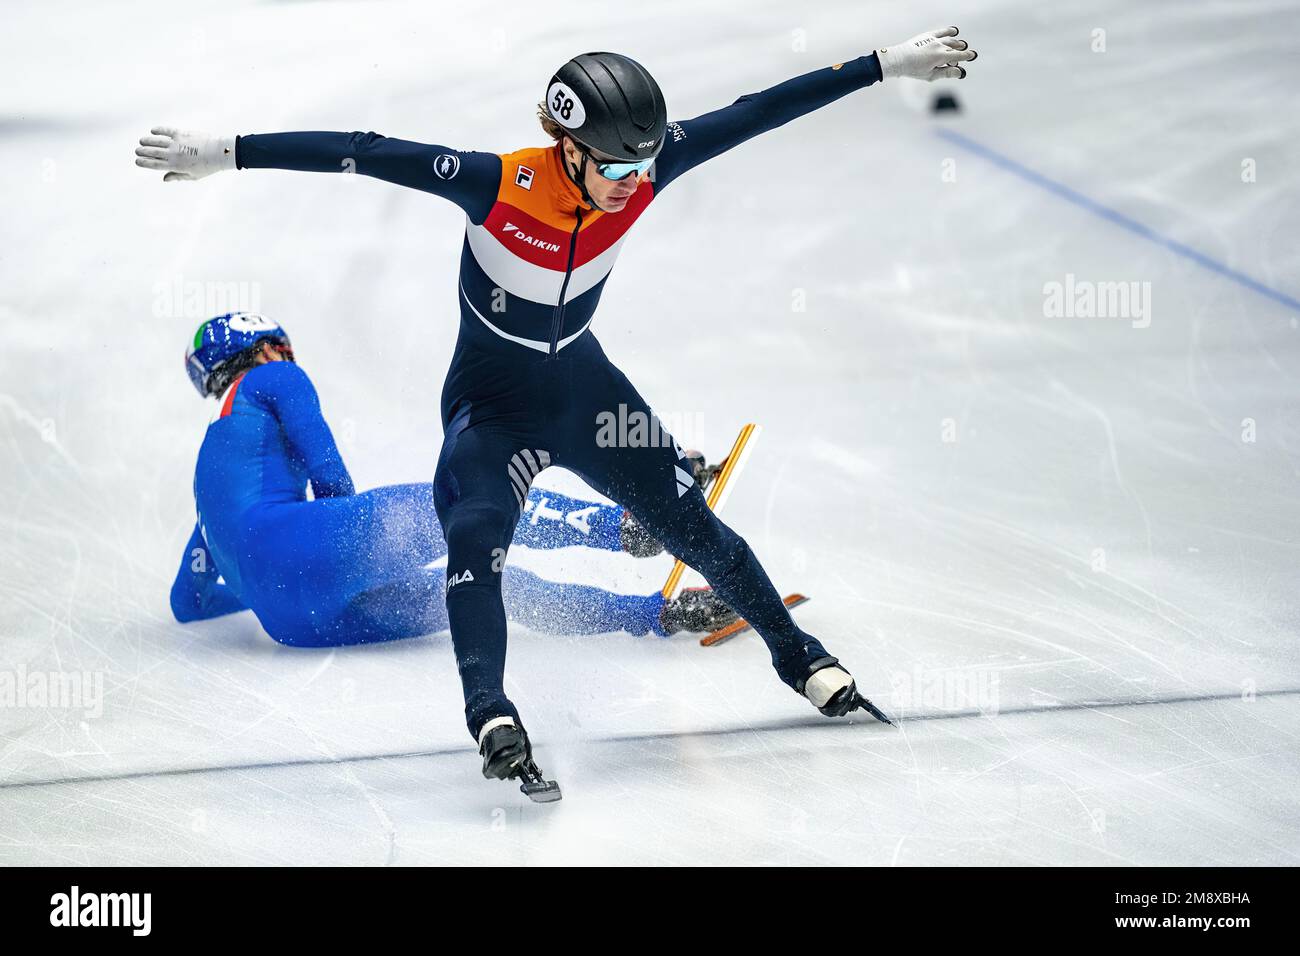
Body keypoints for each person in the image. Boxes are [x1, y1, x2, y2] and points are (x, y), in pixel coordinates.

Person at [138, 28, 973, 791]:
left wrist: (884, 64)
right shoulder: (495, 182)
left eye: (641, 168)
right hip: (490, 412)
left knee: (698, 531)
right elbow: (363, 152)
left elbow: (760, 111)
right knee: (474, 541)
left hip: (587, 392)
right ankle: (491, 712)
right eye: (612, 168)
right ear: (566, 149)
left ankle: (802, 659)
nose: (629, 186)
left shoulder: (641, 167)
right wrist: (225, 152)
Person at [172, 311, 737, 648]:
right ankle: (626, 528)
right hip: (313, 545)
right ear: (265, 346)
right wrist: (347, 543)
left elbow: (187, 604)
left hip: (292, 625)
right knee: (469, 506)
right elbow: (329, 472)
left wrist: (272, 587)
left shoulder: (207, 475)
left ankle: (659, 615)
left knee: (487, 591)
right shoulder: (274, 378)